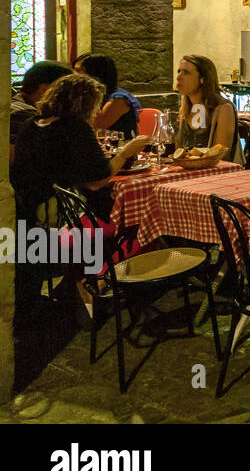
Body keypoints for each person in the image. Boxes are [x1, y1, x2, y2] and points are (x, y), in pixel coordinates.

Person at [10, 73, 153, 318]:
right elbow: (98, 180)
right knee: (138, 223)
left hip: (29, 211)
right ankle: (101, 281)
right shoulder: (74, 127)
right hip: (59, 219)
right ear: (85, 104)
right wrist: (126, 151)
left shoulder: (33, 124)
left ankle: (79, 279)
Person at [174, 54, 244, 164]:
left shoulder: (223, 109)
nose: (178, 77)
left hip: (216, 171)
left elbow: (221, 157)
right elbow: (180, 152)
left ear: (203, 79)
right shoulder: (184, 109)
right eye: (179, 71)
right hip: (190, 170)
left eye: (186, 72)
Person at [9, 60, 71, 157]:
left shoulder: (22, 106)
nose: (68, 98)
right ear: (45, 89)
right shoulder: (23, 114)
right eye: (65, 91)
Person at [74, 53, 142, 138]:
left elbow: (94, 127)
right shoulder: (90, 95)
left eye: (78, 70)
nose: (74, 75)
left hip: (119, 144)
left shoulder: (118, 99)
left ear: (95, 73)